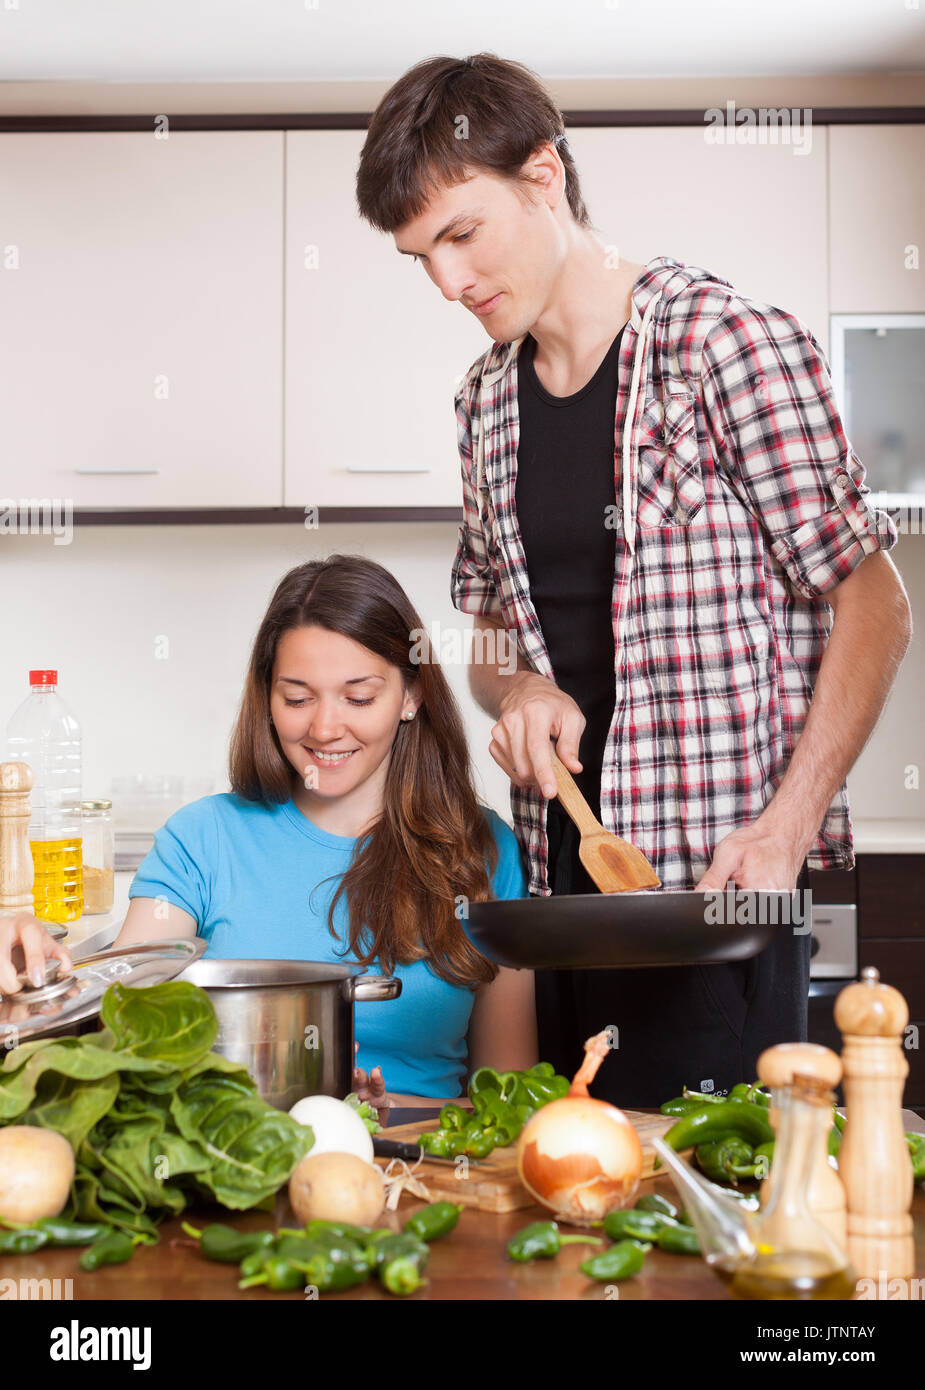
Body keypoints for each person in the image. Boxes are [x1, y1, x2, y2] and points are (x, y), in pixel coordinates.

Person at [355, 53, 913, 1104]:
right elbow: (483, 636)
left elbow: (874, 598)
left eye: (461, 234)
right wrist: (516, 689)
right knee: (567, 1200)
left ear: (543, 176)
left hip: (721, 897)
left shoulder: (721, 345)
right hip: (563, 895)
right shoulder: (484, 404)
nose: (446, 281)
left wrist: (787, 828)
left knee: (712, 1221)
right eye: (419, 256)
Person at [0, 555, 536, 1111]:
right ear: (267, 698)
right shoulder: (201, 840)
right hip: (239, 1164)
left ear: (411, 695)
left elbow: (511, 1104)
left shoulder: (483, 850)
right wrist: (29, 973)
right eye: (298, 698)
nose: (325, 728)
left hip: (432, 1173)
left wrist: (390, 1114)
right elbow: (124, 1022)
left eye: (358, 697)